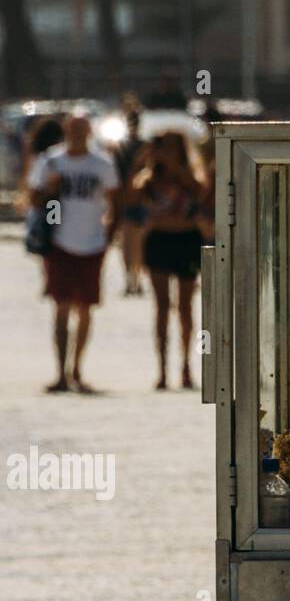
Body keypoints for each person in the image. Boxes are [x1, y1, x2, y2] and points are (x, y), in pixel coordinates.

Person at [28, 113, 120, 394]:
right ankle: (61, 372)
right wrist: (49, 189)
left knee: (85, 308)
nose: (78, 133)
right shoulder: (51, 161)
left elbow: (115, 202)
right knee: (61, 306)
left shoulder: (101, 164)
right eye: (73, 128)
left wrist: (108, 237)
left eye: (82, 128)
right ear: (66, 130)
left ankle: (77, 368)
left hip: (92, 243)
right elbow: (32, 199)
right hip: (59, 243)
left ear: (89, 130)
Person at [130, 131, 206, 389]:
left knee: (185, 307)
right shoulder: (150, 179)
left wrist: (176, 167)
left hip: (186, 242)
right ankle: (162, 369)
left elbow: (202, 190)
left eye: (174, 148)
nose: (169, 152)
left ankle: (185, 365)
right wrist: (147, 159)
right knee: (162, 307)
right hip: (159, 243)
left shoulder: (190, 177)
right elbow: (132, 194)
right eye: (165, 148)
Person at [115, 106, 147, 295]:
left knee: (133, 244)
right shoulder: (122, 146)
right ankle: (132, 278)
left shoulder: (141, 146)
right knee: (131, 244)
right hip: (128, 199)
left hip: (136, 199)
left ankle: (134, 279)